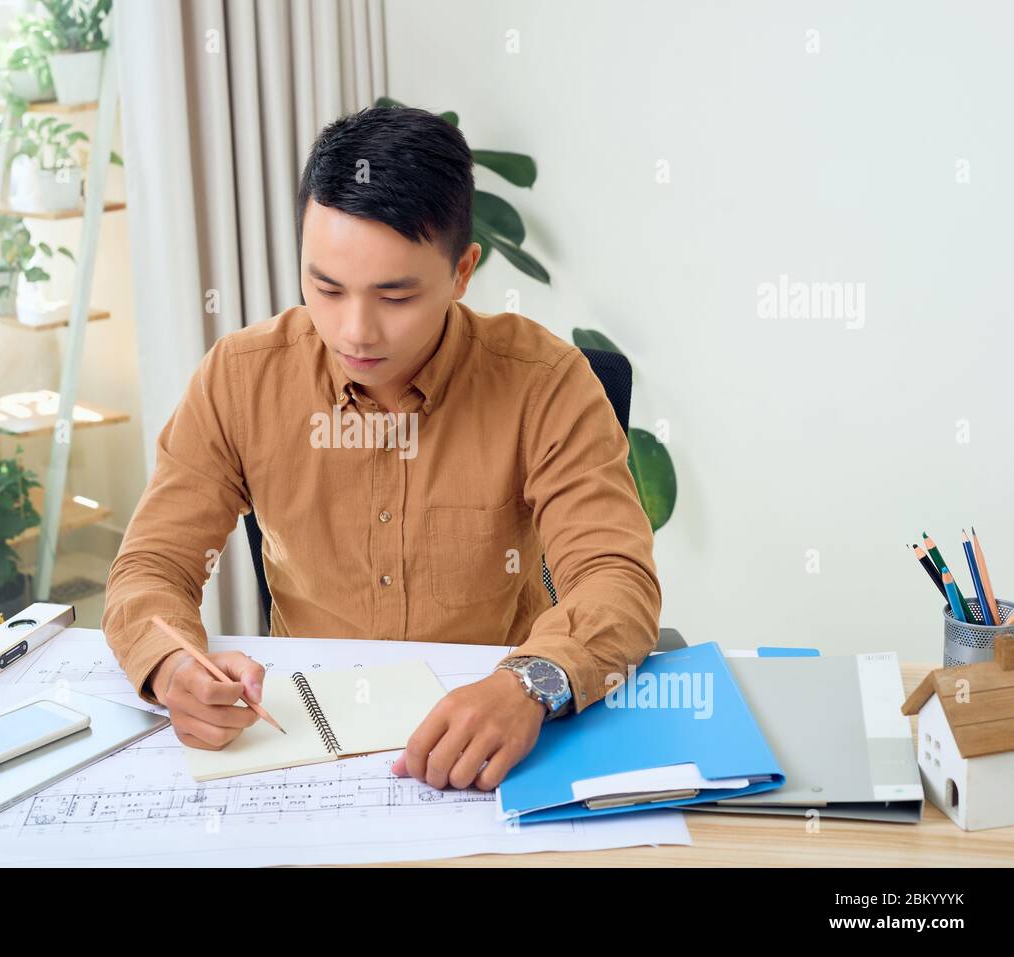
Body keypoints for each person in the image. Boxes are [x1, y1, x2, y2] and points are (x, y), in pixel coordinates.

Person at [102, 106, 661, 791]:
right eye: (326, 288)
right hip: (303, 738)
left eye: (395, 296)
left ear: (462, 272)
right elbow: (153, 567)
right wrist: (173, 663)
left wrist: (529, 682)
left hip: (494, 729)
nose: (354, 330)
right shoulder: (241, 377)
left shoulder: (544, 384)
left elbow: (616, 578)